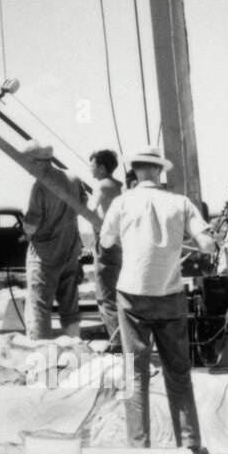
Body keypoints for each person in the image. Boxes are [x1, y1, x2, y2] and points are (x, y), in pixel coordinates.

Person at [99, 145, 217, 454]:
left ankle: (139, 448)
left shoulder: (122, 202)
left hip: (132, 295)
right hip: (170, 295)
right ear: (160, 171)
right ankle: (190, 445)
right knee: (177, 373)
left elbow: (106, 241)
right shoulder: (180, 202)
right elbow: (207, 244)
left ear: (135, 171)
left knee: (134, 375)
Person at [20, 142, 87, 344]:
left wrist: (26, 232)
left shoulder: (40, 186)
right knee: (70, 307)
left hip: (45, 256)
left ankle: (41, 359)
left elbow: (32, 224)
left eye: (27, 163)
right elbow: (83, 204)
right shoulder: (73, 177)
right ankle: (74, 350)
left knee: (39, 308)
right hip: (70, 251)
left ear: (36, 161)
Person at [89, 149, 124, 351]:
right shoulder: (118, 186)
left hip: (105, 244)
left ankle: (117, 343)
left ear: (102, 167)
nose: (90, 169)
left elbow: (91, 210)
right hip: (118, 243)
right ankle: (120, 339)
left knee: (105, 297)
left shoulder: (102, 186)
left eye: (92, 165)